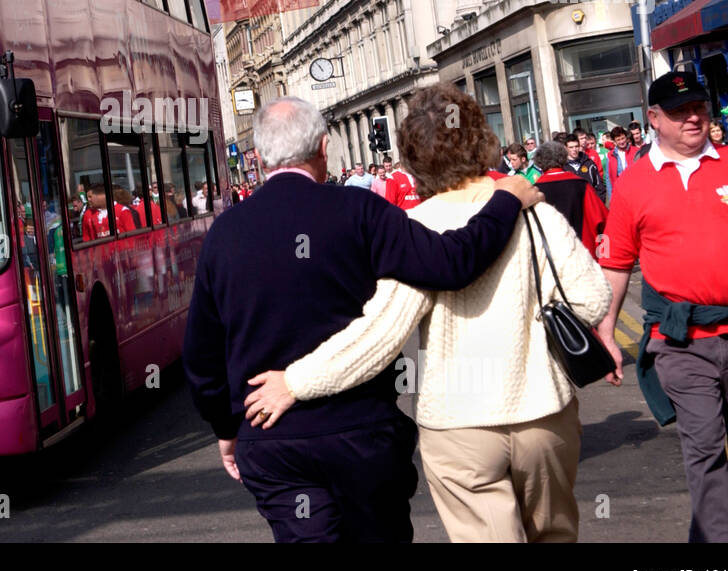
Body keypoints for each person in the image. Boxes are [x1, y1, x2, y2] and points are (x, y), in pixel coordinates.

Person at [243, 86, 612, 542]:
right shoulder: (534, 214)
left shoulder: (415, 229)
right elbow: (592, 300)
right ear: (484, 141)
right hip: (542, 413)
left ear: (413, 157)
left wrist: (294, 382)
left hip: (460, 426)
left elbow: (379, 336)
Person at [183, 96, 543, 542]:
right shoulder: (360, 212)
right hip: (360, 432)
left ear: (258, 157)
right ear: (323, 146)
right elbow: (453, 263)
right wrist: (504, 201)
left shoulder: (225, 234)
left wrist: (225, 425)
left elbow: (201, 354)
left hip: (272, 436)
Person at [599, 71, 728, 542]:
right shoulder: (633, 183)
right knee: (705, 452)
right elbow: (617, 263)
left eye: (699, 108)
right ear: (653, 119)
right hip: (681, 342)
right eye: (678, 111)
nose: (693, 117)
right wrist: (606, 329)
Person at [534, 140, 608, 259]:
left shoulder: (535, 190)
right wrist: (605, 254)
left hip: (550, 255)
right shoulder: (581, 184)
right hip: (582, 250)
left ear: (540, 162)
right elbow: (601, 218)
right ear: (563, 158)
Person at [564, 132, 605, 203]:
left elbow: (599, 186)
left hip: (590, 205)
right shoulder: (562, 167)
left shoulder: (589, 163)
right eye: (571, 147)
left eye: (576, 146)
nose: (574, 149)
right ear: (565, 148)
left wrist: (598, 203)